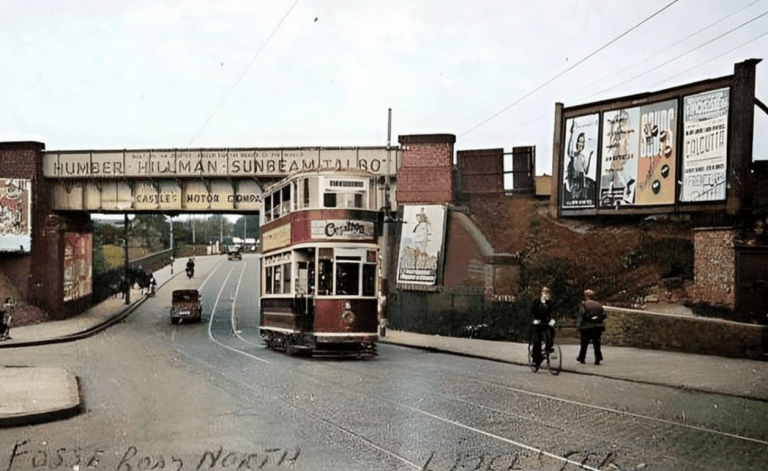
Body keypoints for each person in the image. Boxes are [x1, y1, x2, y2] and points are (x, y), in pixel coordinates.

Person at [577, 289, 606, 365]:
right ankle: (598, 358)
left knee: (584, 343)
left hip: (586, 326)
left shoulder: (583, 304)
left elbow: (581, 315)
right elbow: (604, 315)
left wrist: (579, 326)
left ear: (586, 296)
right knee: (597, 343)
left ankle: (582, 357)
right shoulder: (599, 305)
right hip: (598, 326)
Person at [530, 287, 556, 371]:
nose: (547, 295)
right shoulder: (536, 302)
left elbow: (553, 312)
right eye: (545, 293)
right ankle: (535, 359)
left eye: (548, 293)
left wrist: (552, 319)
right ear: (542, 293)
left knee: (550, 334)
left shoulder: (551, 303)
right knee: (537, 340)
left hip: (546, 323)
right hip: (538, 323)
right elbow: (532, 312)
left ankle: (548, 348)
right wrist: (534, 320)